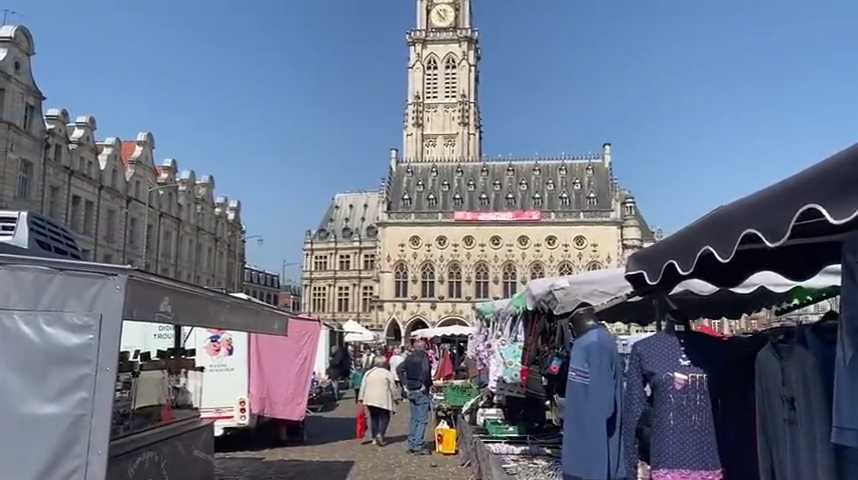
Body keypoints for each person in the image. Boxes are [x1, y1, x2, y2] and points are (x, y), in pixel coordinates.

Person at [397, 340, 433, 455]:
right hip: (420, 389)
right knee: (422, 419)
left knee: (414, 418)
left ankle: (412, 443)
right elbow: (426, 372)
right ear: (423, 347)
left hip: (411, 388)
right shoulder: (423, 357)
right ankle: (418, 445)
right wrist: (425, 384)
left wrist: (404, 383)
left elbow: (399, 369)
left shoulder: (409, 357)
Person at [358, 356, 399, 446]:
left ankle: (374, 438)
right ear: (384, 363)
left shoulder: (368, 373)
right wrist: (396, 398)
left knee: (374, 418)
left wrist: (361, 397)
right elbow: (393, 387)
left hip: (370, 399)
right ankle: (380, 434)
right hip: (383, 399)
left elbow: (363, 385)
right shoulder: (387, 373)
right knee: (385, 417)